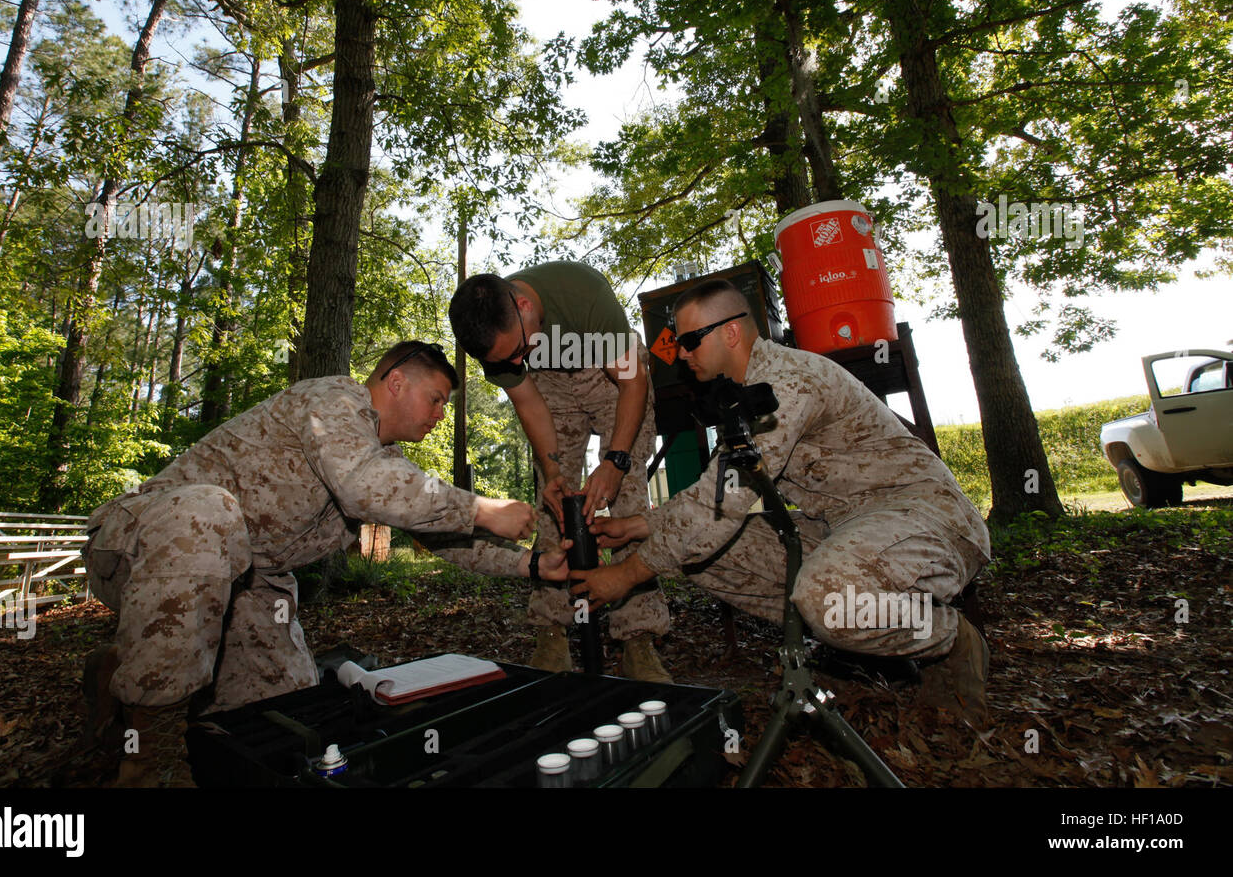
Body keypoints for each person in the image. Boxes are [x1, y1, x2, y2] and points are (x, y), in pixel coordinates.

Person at [81, 341, 570, 786]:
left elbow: (442, 538)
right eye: (437, 398)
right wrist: (483, 508)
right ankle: (151, 759)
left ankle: (125, 680)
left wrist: (533, 566)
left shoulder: (386, 458)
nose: (441, 414)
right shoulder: (335, 401)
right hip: (144, 543)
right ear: (395, 382)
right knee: (208, 511)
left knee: (284, 712)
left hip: (249, 584)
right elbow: (367, 484)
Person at [569, 280, 993, 723]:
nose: (680, 353)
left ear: (730, 333)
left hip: (926, 518)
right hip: (844, 528)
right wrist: (641, 526)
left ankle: (949, 639)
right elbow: (715, 493)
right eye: (676, 342)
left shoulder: (786, 383)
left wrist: (626, 574)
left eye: (690, 340)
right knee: (707, 557)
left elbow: (726, 503)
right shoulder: (744, 394)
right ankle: (850, 643)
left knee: (827, 594)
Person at [448, 261, 671, 682]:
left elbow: (632, 382)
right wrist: (551, 471)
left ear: (525, 304)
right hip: (550, 385)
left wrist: (615, 463)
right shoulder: (496, 341)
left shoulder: (581, 293)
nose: (516, 359)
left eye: (518, 348)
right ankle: (552, 629)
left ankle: (638, 637)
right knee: (554, 504)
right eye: (507, 358)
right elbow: (529, 404)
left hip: (613, 376)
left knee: (626, 503)